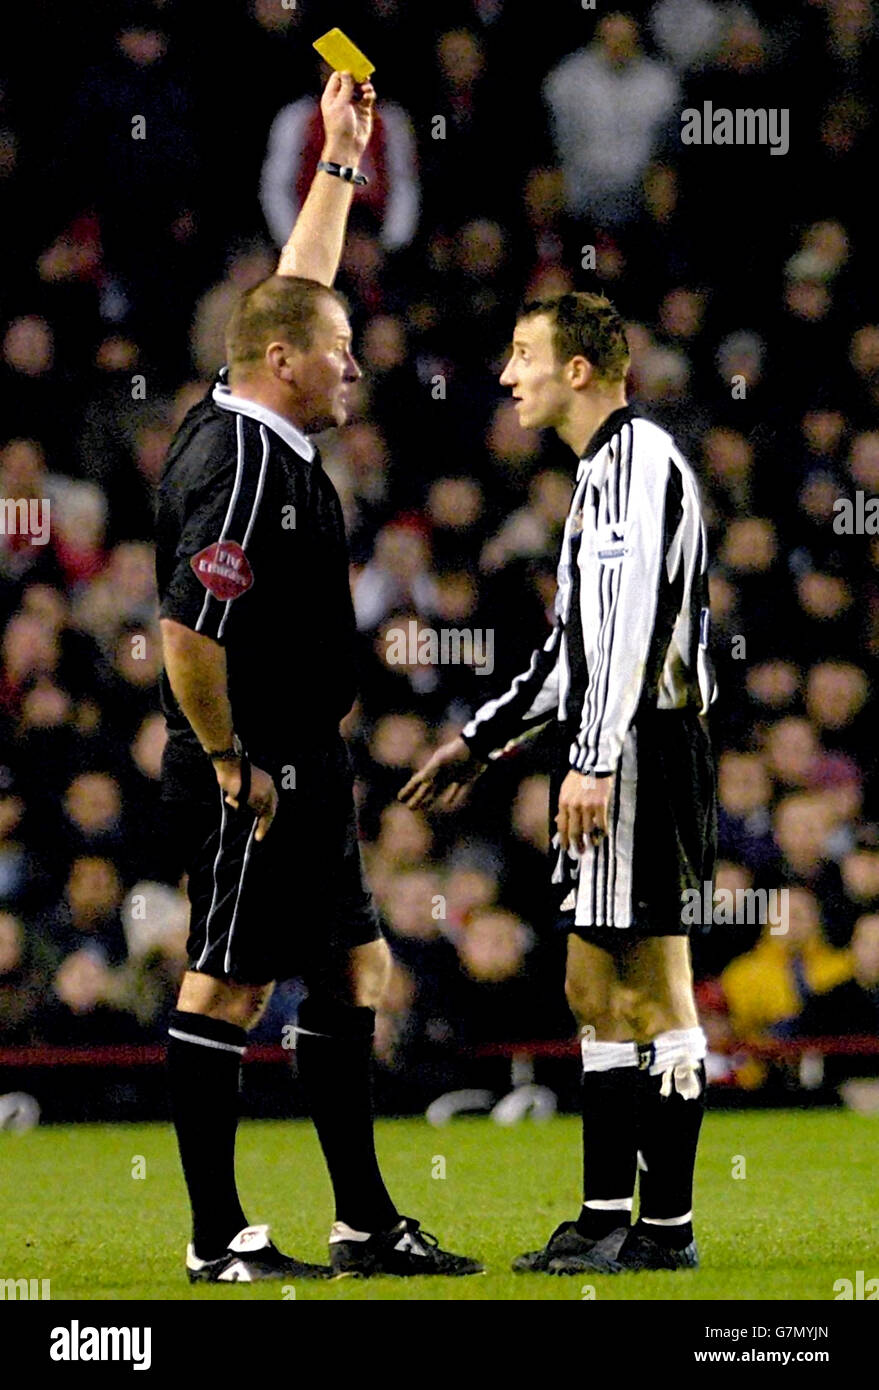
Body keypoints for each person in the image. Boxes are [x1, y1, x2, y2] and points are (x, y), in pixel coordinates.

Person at [156, 71, 481, 1284]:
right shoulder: (239, 468)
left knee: (356, 967)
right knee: (229, 986)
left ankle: (362, 1224)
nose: (357, 363)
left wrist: (339, 161)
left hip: (307, 753)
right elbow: (187, 632)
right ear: (284, 363)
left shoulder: (263, 404)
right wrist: (232, 760)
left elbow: (300, 290)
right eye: (338, 352)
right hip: (255, 762)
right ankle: (214, 1239)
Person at [400, 291, 717, 1275]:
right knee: (598, 984)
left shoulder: (630, 464)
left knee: (654, 993)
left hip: (640, 748)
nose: (506, 374)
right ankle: (613, 1217)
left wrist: (593, 755)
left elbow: (620, 636)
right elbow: (571, 650)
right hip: (633, 740)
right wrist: (480, 740)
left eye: (522, 354)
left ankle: (658, 1227)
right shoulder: (606, 472)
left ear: (577, 369)